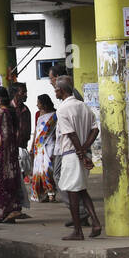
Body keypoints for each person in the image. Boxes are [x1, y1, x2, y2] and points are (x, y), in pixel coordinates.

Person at [54, 77, 99, 240]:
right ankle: (95, 222)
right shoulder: (84, 106)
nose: (55, 91)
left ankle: (78, 231)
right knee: (81, 190)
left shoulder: (62, 110)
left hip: (71, 155)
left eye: (56, 89)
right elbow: (95, 130)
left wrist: (80, 152)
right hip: (81, 153)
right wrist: (85, 149)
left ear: (62, 90)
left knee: (73, 192)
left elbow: (71, 134)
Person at [0, 86, 24, 223]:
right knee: (9, 182)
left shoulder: (1, 113)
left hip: (2, 155)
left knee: (0, 184)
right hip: (11, 154)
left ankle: (2, 212)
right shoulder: (12, 112)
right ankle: (11, 210)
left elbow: (3, 137)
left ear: (0, 99)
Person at [29, 94, 57, 202]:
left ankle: (51, 191)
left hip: (50, 145)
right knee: (38, 170)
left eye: (38, 103)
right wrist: (32, 146)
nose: (37, 105)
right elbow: (36, 130)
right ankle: (43, 193)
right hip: (39, 146)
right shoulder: (38, 115)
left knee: (47, 169)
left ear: (44, 103)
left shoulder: (55, 115)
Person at [12, 83, 33, 217]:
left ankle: (17, 208)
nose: (25, 94)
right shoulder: (9, 109)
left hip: (21, 149)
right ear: (15, 93)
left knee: (20, 178)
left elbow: (27, 130)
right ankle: (15, 209)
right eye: (22, 92)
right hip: (12, 150)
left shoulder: (25, 110)